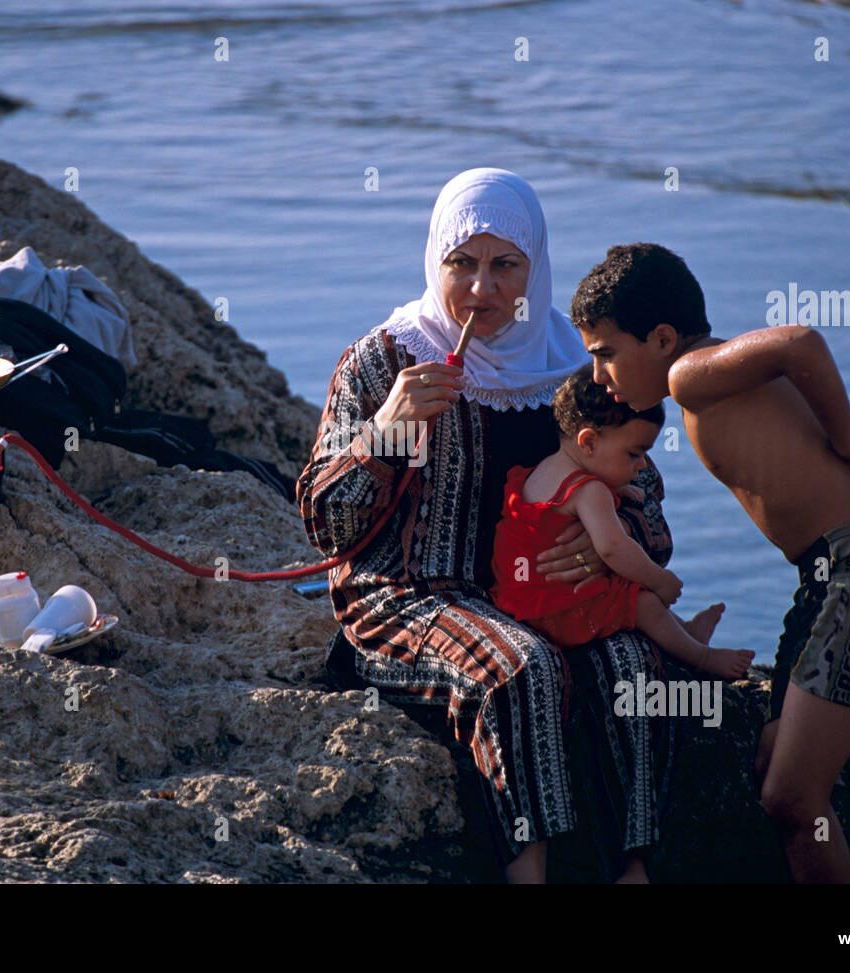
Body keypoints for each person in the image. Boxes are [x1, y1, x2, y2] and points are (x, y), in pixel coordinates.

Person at [297, 169, 711, 883]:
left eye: (504, 266)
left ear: (535, 268)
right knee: (522, 669)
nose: (481, 290)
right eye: (461, 264)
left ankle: (634, 866)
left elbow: (647, 506)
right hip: (411, 595)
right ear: (435, 261)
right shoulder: (386, 358)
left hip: (543, 600)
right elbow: (324, 522)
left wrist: (609, 541)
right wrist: (387, 430)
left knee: (636, 666)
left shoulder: (577, 371)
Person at [569, 241, 850, 883]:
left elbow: (799, 341)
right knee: (771, 765)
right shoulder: (708, 374)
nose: (600, 376)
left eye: (604, 355)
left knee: (792, 796)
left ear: (661, 338)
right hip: (832, 574)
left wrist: (848, 437)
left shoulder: (690, 374)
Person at [490, 366, 753, 682]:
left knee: (627, 591)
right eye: (633, 454)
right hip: (556, 610)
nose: (641, 465)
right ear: (588, 442)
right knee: (642, 602)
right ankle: (702, 657)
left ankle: (685, 631)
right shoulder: (590, 492)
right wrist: (659, 580)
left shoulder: (541, 472)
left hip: (519, 599)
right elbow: (614, 549)